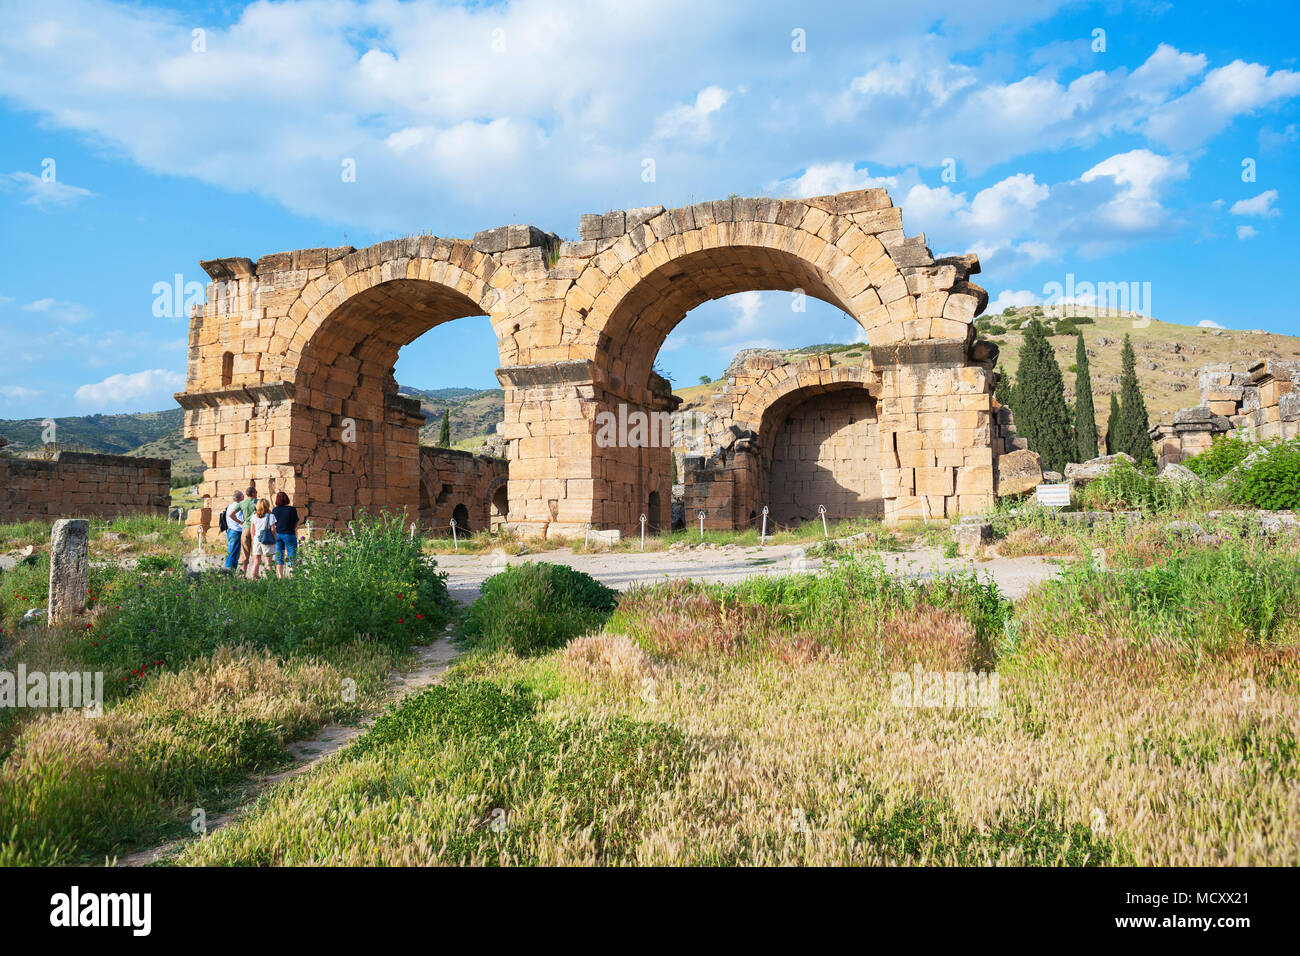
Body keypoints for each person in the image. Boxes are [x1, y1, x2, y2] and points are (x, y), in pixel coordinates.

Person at [271, 491, 300, 578]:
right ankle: (292, 575)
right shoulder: (292, 509)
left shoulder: (275, 510)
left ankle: (280, 576)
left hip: (278, 534)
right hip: (289, 533)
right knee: (292, 554)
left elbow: (273, 522)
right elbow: (296, 521)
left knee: (279, 555)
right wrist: (292, 528)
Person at [246, 498, 276, 581]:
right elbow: (273, 529)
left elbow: (252, 531)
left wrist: (253, 541)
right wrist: (275, 539)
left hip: (256, 539)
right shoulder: (271, 516)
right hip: (267, 539)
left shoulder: (254, 516)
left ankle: (253, 579)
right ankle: (270, 580)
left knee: (256, 562)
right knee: (268, 562)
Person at [238, 483, 258, 573]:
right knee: (255, 551)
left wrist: (240, 522)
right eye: (256, 492)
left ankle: (243, 574)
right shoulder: (258, 502)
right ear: (253, 493)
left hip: (246, 527)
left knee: (244, 552)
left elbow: (231, 514)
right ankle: (254, 574)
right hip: (256, 528)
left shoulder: (242, 503)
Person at [223, 490, 244, 570]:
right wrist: (240, 522)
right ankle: (230, 572)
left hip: (230, 530)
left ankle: (227, 570)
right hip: (236, 531)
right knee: (234, 553)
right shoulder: (239, 507)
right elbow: (239, 518)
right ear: (241, 497)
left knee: (230, 552)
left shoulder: (230, 506)